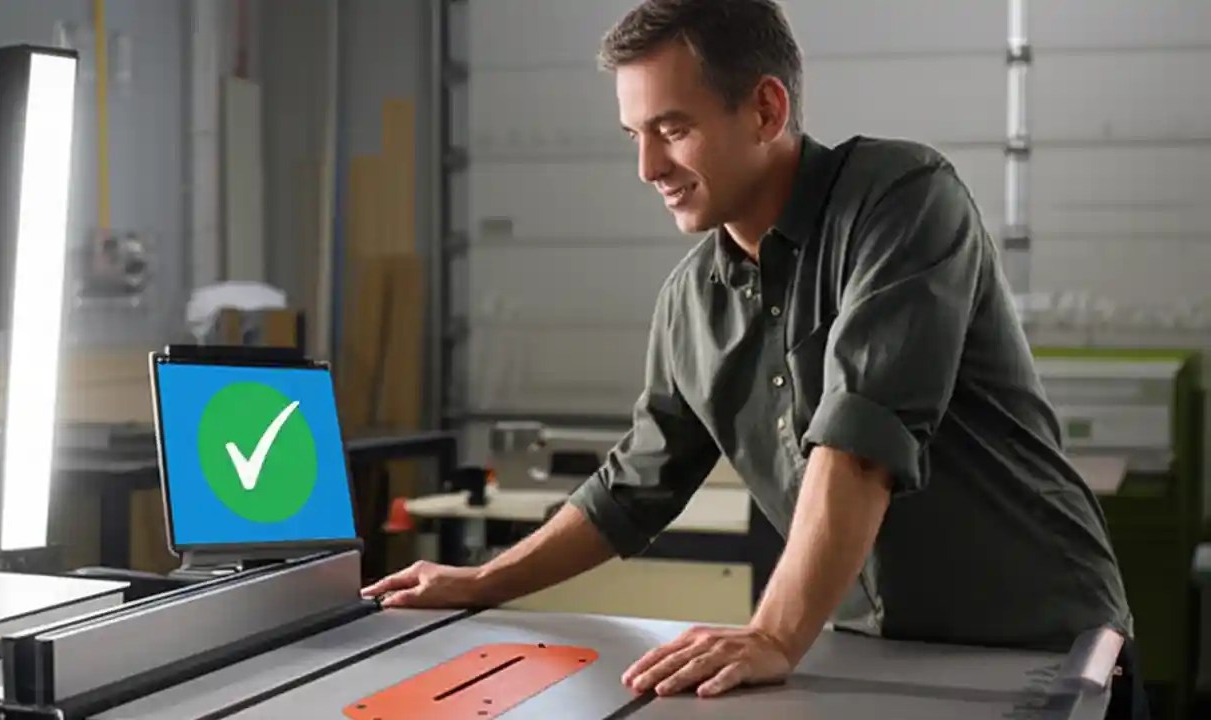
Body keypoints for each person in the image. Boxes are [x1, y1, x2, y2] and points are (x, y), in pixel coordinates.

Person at [361, 1, 1146, 716]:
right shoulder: (689, 301)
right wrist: (481, 582)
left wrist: (772, 633)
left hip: (1045, 651)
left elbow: (863, 440)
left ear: (766, 108)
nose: (648, 169)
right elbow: (630, 492)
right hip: (874, 656)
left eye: (672, 129)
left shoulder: (902, 199)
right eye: (634, 137)